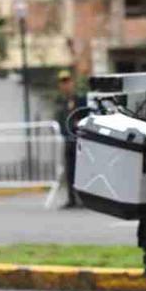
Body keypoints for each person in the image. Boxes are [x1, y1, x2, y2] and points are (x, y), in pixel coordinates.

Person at [55, 70, 87, 209]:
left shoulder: (80, 99)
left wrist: (79, 122)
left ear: (72, 83)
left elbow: (87, 116)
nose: (65, 85)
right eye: (62, 82)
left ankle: (83, 199)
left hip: (79, 140)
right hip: (68, 140)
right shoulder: (62, 102)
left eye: (67, 82)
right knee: (70, 171)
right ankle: (71, 199)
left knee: (81, 171)